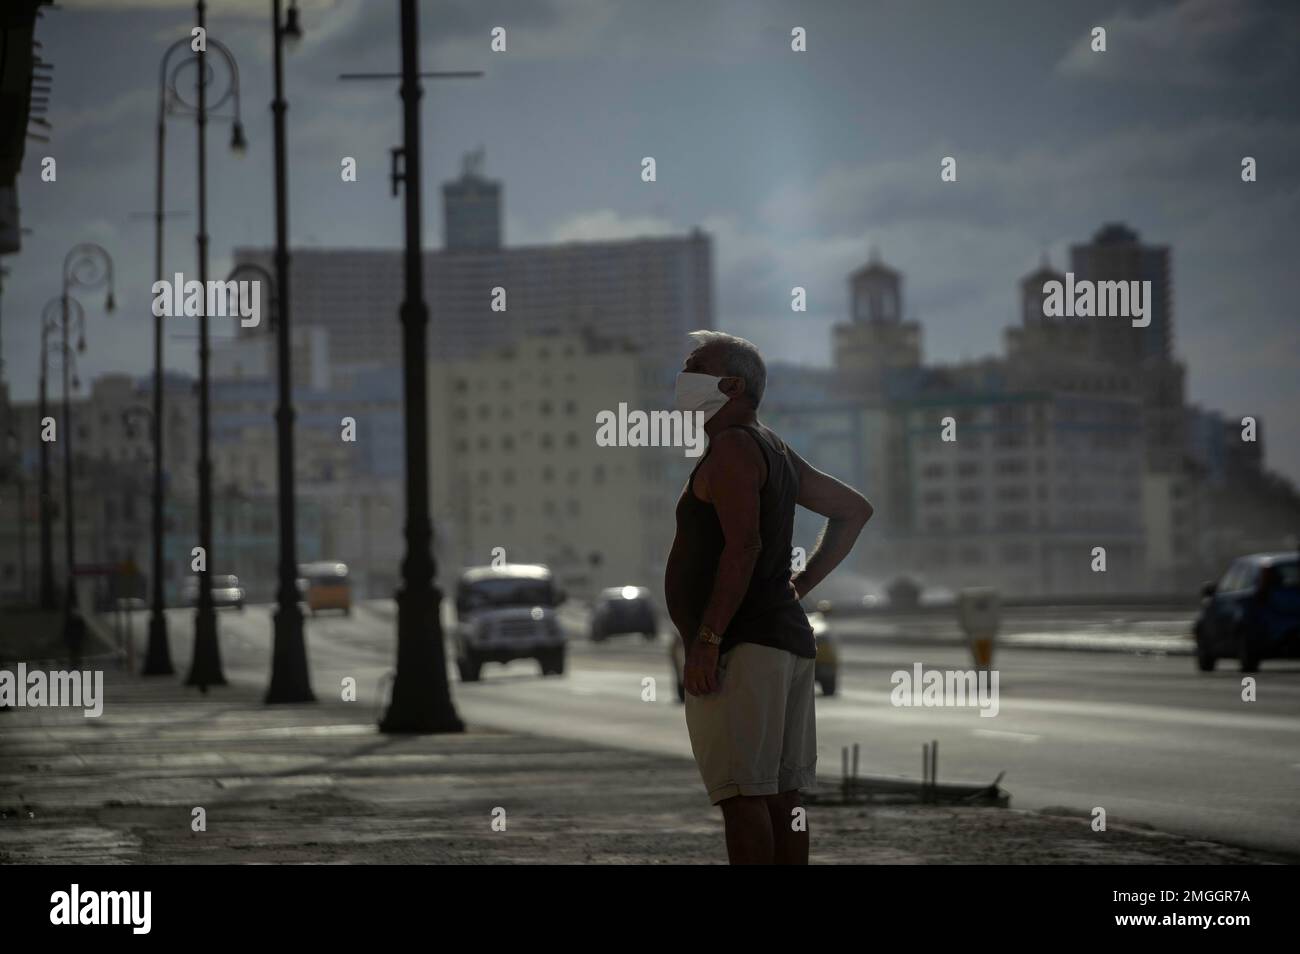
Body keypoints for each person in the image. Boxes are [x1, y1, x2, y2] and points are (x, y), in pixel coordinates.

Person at [665, 330, 873, 864]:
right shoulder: (772, 446)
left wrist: (708, 639)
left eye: (694, 368)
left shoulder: (734, 446)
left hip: (745, 646)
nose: (683, 379)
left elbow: (745, 546)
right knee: (783, 796)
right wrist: (796, 589)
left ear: (731, 385)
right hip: (783, 639)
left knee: (743, 796)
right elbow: (853, 510)